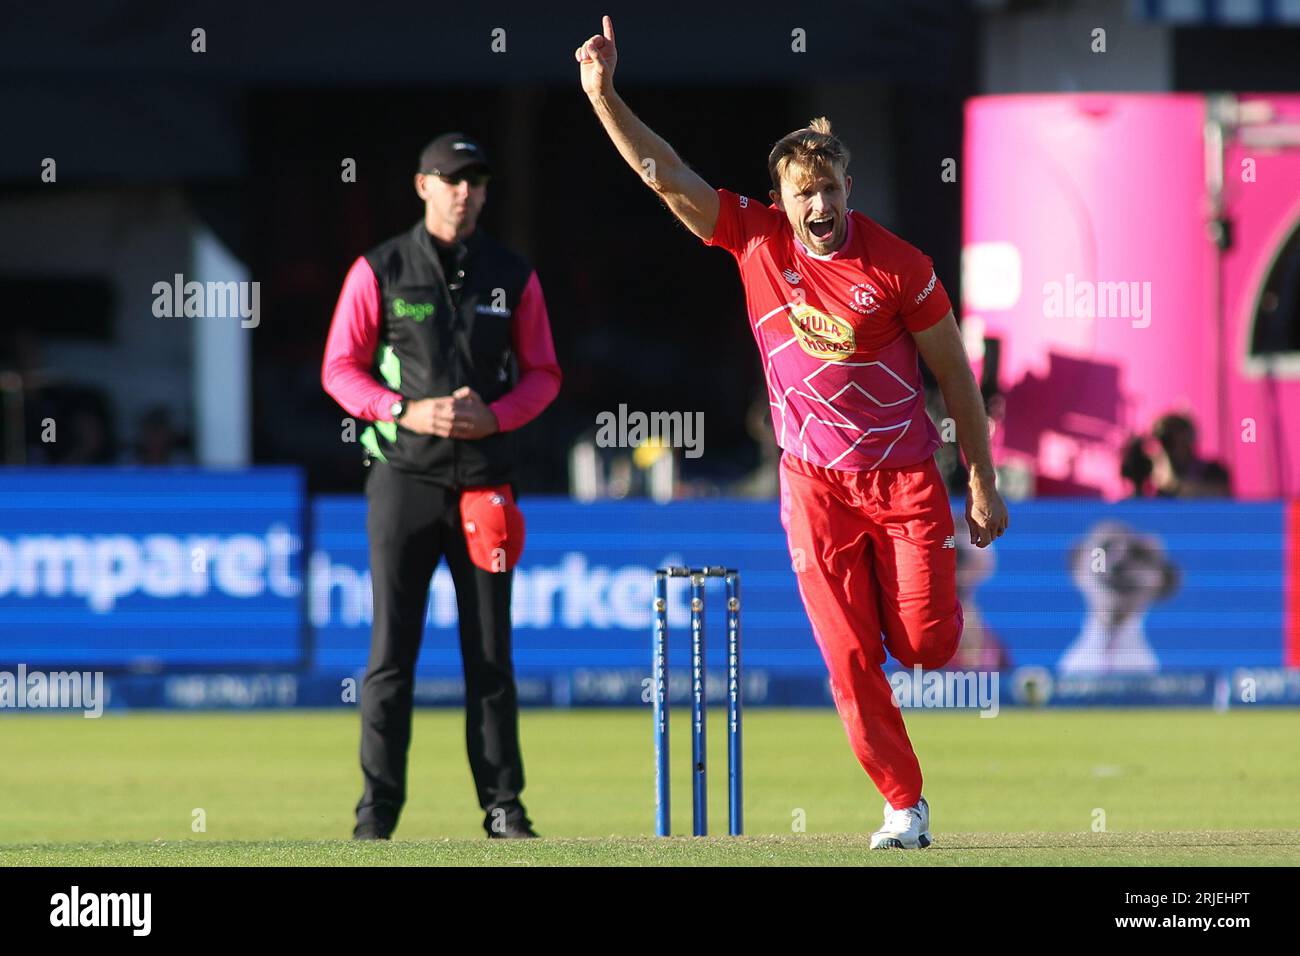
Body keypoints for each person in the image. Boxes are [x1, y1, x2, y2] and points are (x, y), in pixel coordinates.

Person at [576, 16, 1008, 850]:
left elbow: (955, 374)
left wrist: (981, 479)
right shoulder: (754, 237)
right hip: (813, 482)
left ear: (850, 191)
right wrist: (604, 95)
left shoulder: (899, 266)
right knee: (848, 656)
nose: (821, 206)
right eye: (806, 194)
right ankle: (903, 805)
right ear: (784, 200)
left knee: (922, 647)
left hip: (906, 474)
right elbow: (665, 177)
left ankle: (908, 612)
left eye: (833, 191)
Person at [322, 132, 562, 839]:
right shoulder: (381, 267)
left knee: (491, 656)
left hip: (485, 483)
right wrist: (402, 409)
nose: (466, 193)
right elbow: (340, 368)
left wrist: (496, 416)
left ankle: (503, 807)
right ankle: (377, 816)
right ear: (423, 185)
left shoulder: (512, 274)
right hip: (403, 478)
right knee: (391, 656)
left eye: (477, 182)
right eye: (453, 180)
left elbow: (545, 374)